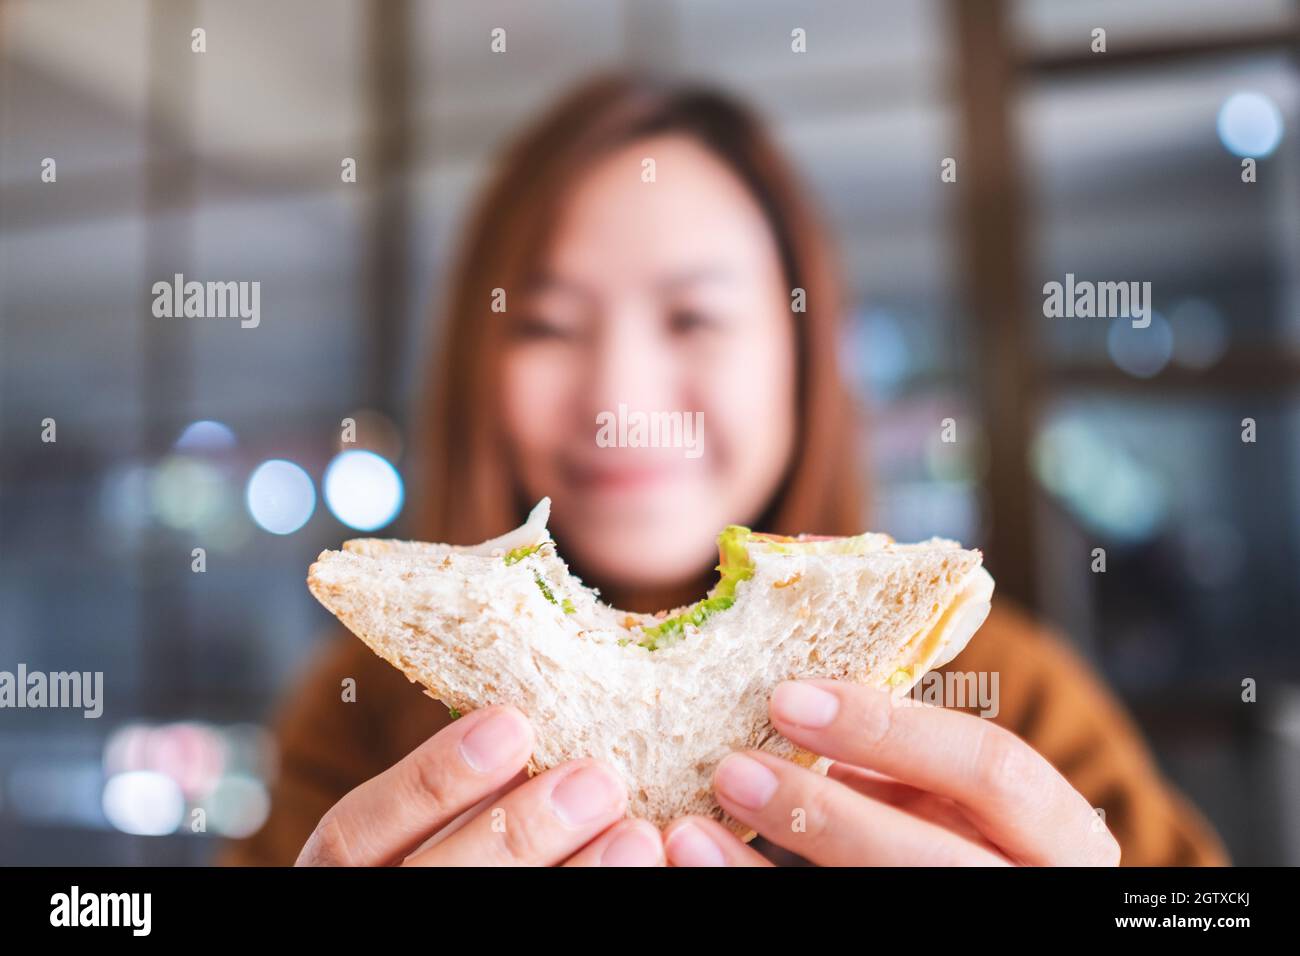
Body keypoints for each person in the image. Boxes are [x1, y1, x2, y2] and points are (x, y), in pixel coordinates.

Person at [221, 72, 1227, 866]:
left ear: (803, 354)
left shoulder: (1007, 695)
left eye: (694, 316)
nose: (619, 397)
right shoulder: (356, 716)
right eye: (545, 324)